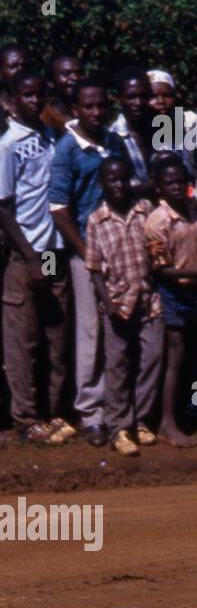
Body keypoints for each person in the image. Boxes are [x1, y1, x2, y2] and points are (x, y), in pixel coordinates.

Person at [49, 78, 130, 448]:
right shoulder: (68, 149)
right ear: (76, 109)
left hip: (120, 246)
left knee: (120, 327)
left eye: (102, 106)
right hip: (85, 251)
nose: (96, 113)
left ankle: (121, 412)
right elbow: (59, 210)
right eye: (89, 107)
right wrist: (87, 254)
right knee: (90, 332)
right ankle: (90, 412)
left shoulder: (113, 142)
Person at [0, 64, 73, 444]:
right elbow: (3, 206)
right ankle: (26, 418)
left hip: (54, 250)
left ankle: (54, 411)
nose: (34, 101)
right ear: (12, 101)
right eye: (25, 95)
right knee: (23, 339)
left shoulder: (53, 136)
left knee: (56, 336)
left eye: (39, 94)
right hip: (25, 253)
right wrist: (28, 255)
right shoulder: (8, 144)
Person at [84, 157, 163, 457]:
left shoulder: (144, 210)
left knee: (151, 358)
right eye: (111, 180)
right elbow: (93, 268)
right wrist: (107, 303)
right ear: (103, 184)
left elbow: (156, 246)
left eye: (123, 179)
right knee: (117, 365)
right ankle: (118, 427)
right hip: (117, 302)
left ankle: (140, 419)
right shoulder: (96, 220)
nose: (118, 185)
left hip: (148, 298)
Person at [144, 158, 197, 448]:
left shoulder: (195, 207)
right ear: (159, 187)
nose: (176, 187)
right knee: (176, 357)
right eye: (169, 182)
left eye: (180, 181)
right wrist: (193, 272)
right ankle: (167, 423)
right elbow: (161, 268)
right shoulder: (157, 221)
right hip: (175, 291)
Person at [109, 67, 157, 187]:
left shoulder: (159, 126)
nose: (138, 103)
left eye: (143, 97)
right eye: (131, 97)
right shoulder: (113, 136)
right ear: (119, 99)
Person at [41, 53, 81, 137]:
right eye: (66, 74)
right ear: (50, 82)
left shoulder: (89, 113)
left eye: (78, 73)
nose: (75, 78)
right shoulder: (46, 118)